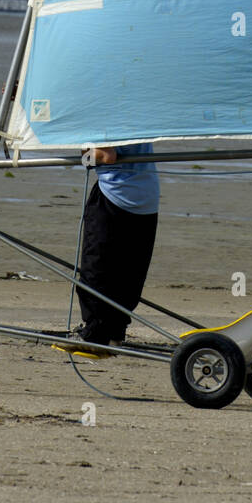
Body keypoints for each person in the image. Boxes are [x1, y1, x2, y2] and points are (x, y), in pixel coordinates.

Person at [60, 141, 159, 356]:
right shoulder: (133, 111)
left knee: (97, 265)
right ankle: (115, 331)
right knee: (130, 268)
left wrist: (83, 157)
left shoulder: (107, 112)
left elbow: (106, 156)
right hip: (147, 195)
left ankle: (95, 333)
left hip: (117, 193)